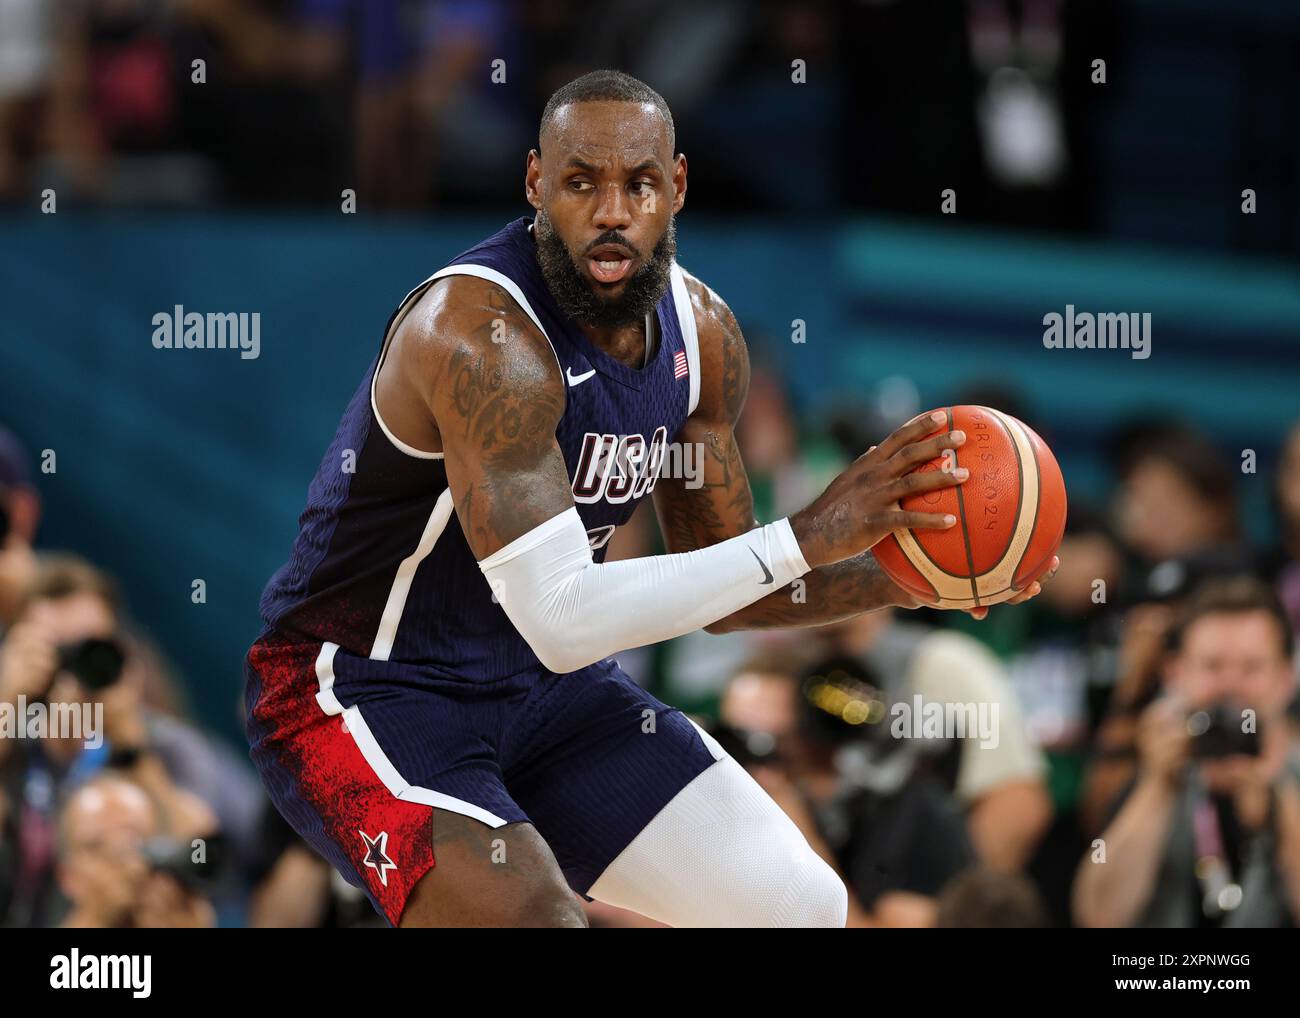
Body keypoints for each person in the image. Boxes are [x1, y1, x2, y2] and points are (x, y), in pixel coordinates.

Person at [245, 69, 1054, 929]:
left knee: (795, 904)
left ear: (676, 187)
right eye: (580, 182)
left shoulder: (703, 339)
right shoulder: (485, 340)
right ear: (535, 184)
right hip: (365, 690)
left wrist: (918, 580)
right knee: (536, 920)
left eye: (637, 183)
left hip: (547, 692)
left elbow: (743, 593)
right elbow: (560, 611)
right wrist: (812, 531)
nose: (610, 211)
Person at [1073, 577, 1300, 928]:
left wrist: (1279, 797)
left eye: (1251, 667)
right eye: (1212, 666)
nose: (1230, 685)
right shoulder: (1155, 767)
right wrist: (1157, 786)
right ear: (1175, 673)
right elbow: (1099, 916)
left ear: (1286, 678)